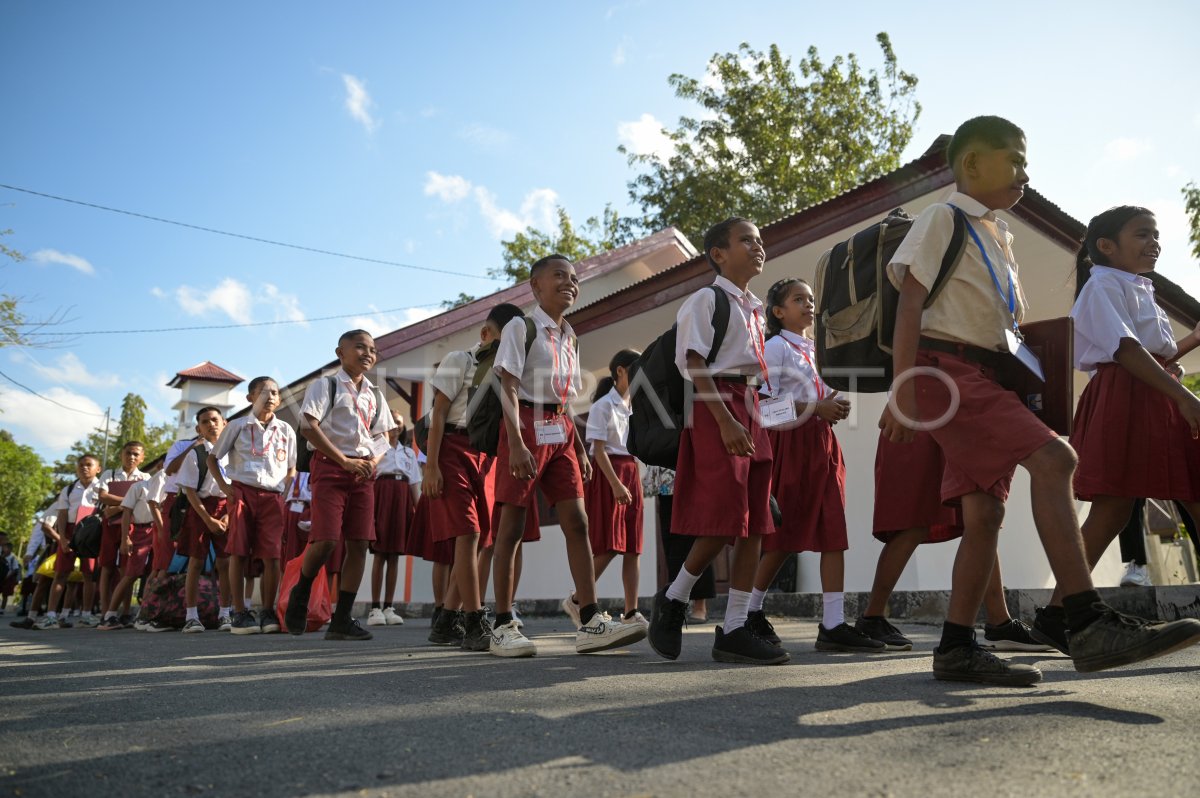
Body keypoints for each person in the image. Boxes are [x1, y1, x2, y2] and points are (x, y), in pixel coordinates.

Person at [879, 115, 1200, 684]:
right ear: (973, 164)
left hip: (985, 376)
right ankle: (1086, 619)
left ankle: (955, 648)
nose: (1026, 173)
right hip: (947, 371)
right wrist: (904, 391)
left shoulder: (1001, 237)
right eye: (1017, 161)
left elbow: (1003, 326)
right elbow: (910, 303)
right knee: (1057, 460)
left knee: (985, 515)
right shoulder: (943, 217)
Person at [1033, 206, 1200, 647]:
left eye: (1157, 235)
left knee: (1188, 493)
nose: (1154, 243)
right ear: (1106, 246)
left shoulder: (1138, 285)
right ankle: (1055, 615)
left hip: (1153, 392)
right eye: (1142, 234)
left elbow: (1152, 354)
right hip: (1128, 398)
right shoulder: (1103, 285)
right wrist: (1183, 397)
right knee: (1113, 508)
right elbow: (1124, 350)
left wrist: (1186, 352)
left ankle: (1053, 617)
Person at [490, 254, 645, 657]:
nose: (569, 283)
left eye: (574, 278)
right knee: (512, 525)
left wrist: (577, 447)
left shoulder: (571, 336)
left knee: (578, 521)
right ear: (535, 284)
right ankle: (502, 623)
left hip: (560, 431)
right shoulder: (520, 328)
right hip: (524, 424)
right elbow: (506, 387)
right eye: (559, 275)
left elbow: (562, 400)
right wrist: (518, 443)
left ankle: (590, 619)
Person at [648, 217, 787, 666]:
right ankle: (674, 599)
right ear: (718, 253)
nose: (758, 247)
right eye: (747, 240)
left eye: (760, 240)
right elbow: (693, 362)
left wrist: (756, 412)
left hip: (749, 404)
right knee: (726, 518)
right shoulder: (705, 299)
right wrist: (726, 421)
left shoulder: (755, 308)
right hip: (714, 404)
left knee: (757, 522)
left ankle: (735, 627)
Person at [747, 278, 881, 653]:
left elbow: (816, 397)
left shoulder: (814, 350)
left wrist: (832, 404)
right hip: (789, 444)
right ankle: (749, 610)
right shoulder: (773, 348)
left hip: (822, 444)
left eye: (811, 299)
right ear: (778, 311)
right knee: (782, 536)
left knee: (832, 530)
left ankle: (833, 623)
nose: (809, 305)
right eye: (798, 299)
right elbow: (759, 410)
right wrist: (812, 408)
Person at [857, 432, 1050, 653]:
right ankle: (872, 617)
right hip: (918, 425)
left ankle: (1000, 622)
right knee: (912, 524)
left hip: (957, 429)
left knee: (979, 520)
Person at [423, 302, 524, 651]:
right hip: (451, 447)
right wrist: (431, 466)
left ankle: (446, 622)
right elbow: (437, 414)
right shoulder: (460, 360)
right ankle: (474, 619)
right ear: (485, 334)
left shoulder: (504, 372)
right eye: (502, 338)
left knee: (482, 540)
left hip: (485, 454)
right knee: (468, 534)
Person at [285, 329, 396, 641]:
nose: (368, 354)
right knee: (327, 540)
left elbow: (382, 438)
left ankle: (342, 618)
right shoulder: (328, 384)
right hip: (331, 467)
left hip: (363, 472)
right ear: (340, 352)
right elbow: (308, 426)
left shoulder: (375, 393)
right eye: (360, 347)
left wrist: (371, 464)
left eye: (372, 349)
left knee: (360, 543)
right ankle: (301, 592)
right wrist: (343, 461)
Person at [210, 376, 298, 635]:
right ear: (250, 398)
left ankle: (268, 610)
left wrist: (285, 493)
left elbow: (292, 468)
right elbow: (213, 459)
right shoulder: (237, 426)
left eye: (274, 392)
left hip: (272, 496)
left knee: (271, 555)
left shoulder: (286, 430)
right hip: (242, 493)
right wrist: (227, 489)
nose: (269, 396)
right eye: (262, 392)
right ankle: (239, 612)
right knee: (238, 552)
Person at [577, 349, 647, 627]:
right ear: (621, 370)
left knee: (633, 547)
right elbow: (598, 450)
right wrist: (616, 484)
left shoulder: (634, 406)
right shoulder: (602, 406)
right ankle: (577, 599)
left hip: (631, 472)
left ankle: (631, 611)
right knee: (611, 544)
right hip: (610, 475)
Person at [178, 407, 233, 633]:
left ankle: (225, 614)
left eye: (214, 419)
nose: (211, 424)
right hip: (200, 509)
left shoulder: (235, 451)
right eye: (204, 421)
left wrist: (228, 515)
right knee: (196, 562)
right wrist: (208, 519)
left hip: (227, 508)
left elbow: (237, 487)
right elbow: (189, 491)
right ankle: (192, 616)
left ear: (224, 423)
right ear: (198, 428)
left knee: (226, 563)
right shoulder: (195, 453)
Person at [368, 412, 420, 628]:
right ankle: (375, 607)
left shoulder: (408, 453)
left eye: (399, 423)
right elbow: (370, 477)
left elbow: (415, 483)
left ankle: (389, 606)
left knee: (395, 555)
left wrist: (419, 511)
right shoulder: (376, 447)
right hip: (382, 496)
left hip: (402, 499)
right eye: (392, 423)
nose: (396, 426)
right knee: (379, 554)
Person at [39, 455, 103, 629]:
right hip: (69, 531)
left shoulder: (102, 488)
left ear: (98, 468)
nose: (84, 468)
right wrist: (63, 539)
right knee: (61, 573)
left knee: (89, 574)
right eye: (81, 465)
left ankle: (86, 615)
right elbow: (62, 514)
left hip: (91, 533)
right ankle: (51, 615)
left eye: (89, 465)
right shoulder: (69, 490)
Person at [646, 466, 714, 623]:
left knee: (697, 539)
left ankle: (700, 606)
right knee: (672, 546)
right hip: (664, 480)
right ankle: (677, 604)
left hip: (691, 476)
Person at [94, 442, 149, 627]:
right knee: (107, 566)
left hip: (132, 525)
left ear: (142, 457)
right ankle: (105, 612)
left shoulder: (145, 477)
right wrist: (129, 501)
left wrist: (118, 506)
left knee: (127, 569)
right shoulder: (109, 474)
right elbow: (102, 496)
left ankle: (126, 611)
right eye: (128, 453)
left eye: (136, 454)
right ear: (121, 454)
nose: (131, 457)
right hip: (110, 525)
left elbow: (143, 502)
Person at [97, 473, 157, 630]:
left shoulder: (172, 486)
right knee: (131, 574)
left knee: (156, 571)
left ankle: (147, 613)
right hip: (140, 531)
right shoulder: (139, 486)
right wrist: (126, 538)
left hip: (158, 531)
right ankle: (109, 615)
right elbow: (126, 512)